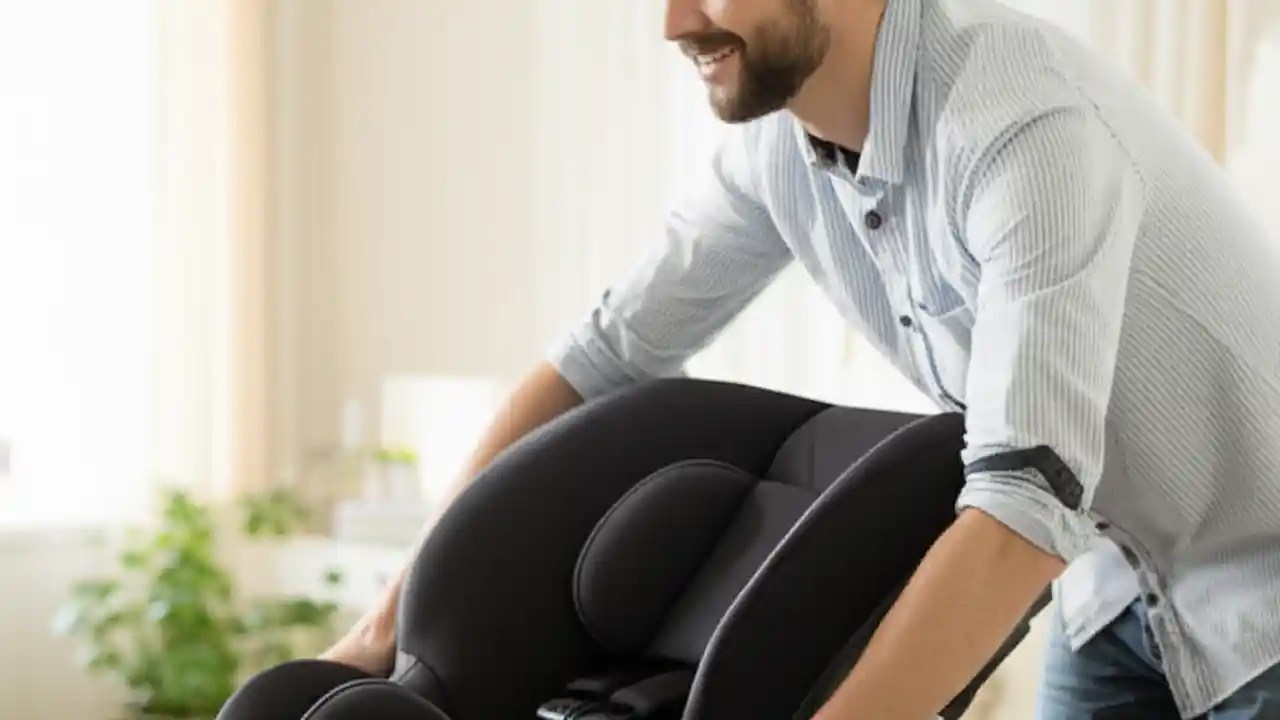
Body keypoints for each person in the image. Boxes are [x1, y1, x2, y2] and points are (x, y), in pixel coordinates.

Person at [320, 0, 1280, 717]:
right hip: (1122, 586)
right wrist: (382, 632)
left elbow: (1022, 504)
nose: (672, 22)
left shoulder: (1020, 126)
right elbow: (601, 360)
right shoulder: (782, 154)